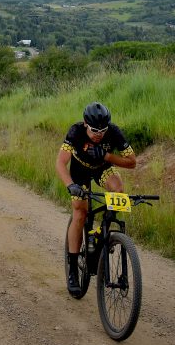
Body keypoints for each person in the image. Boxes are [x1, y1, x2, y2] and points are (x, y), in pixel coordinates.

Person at [55, 102, 136, 296]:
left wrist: (107, 156)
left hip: (102, 168)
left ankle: (101, 231)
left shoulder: (113, 132)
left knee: (118, 189)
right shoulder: (75, 132)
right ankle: (73, 269)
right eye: (94, 130)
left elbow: (132, 162)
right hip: (79, 172)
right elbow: (60, 162)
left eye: (103, 129)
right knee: (80, 211)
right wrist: (70, 185)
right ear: (85, 124)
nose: (99, 134)